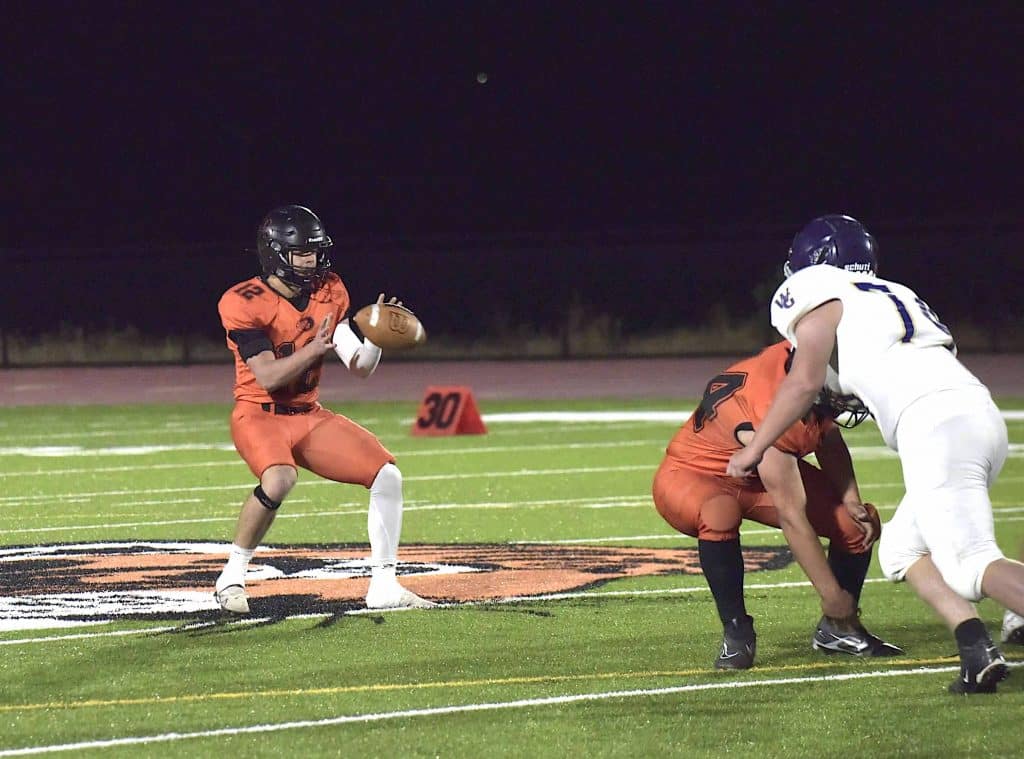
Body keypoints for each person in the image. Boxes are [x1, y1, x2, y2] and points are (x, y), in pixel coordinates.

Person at [728, 214, 1024, 694]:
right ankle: (975, 647)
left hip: (936, 426)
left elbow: (804, 380)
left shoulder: (820, 293)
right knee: (904, 550)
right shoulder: (895, 294)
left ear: (813, 264)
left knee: (971, 564)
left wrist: (754, 448)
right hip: (979, 415)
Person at [214, 204, 435, 613]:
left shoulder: (328, 291)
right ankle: (232, 577)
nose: (311, 261)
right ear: (276, 255)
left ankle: (384, 585)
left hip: (308, 414)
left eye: (315, 252)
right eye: (300, 253)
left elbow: (361, 367)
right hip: (258, 413)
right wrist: (315, 348)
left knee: (386, 475)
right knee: (279, 480)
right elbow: (268, 378)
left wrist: (374, 336)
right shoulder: (244, 301)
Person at [653, 340, 902, 670]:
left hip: (755, 472)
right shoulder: (770, 408)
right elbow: (792, 516)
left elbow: (828, 440)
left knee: (856, 524)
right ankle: (737, 633)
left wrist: (851, 499)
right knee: (720, 512)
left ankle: (838, 631)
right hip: (694, 473)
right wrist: (830, 594)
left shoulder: (803, 364)